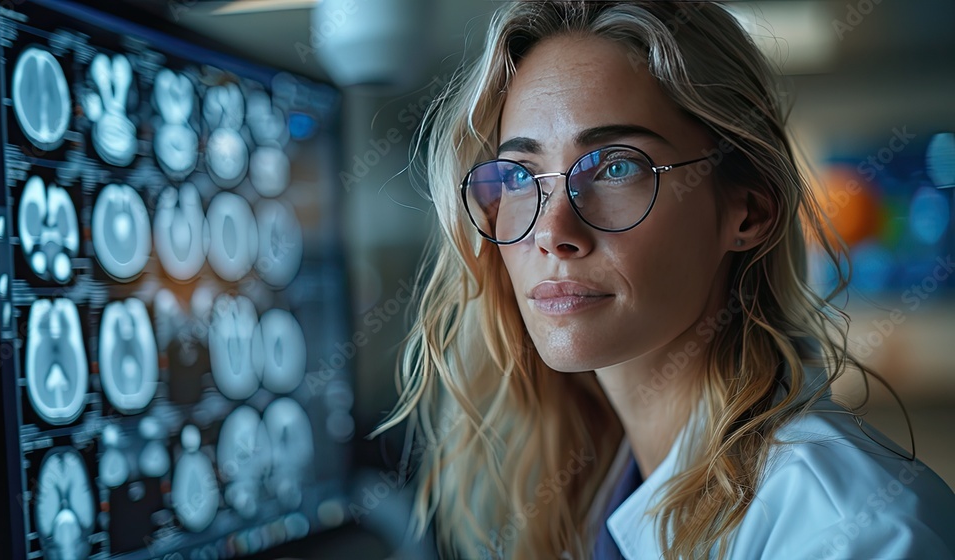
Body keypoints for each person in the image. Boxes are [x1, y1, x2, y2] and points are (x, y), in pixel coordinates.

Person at [371, 1, 955, 558]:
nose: (552, 232)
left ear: (748, 211)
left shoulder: (850, 533)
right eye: (521, 176)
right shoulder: (589, 487)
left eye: (616, 166)